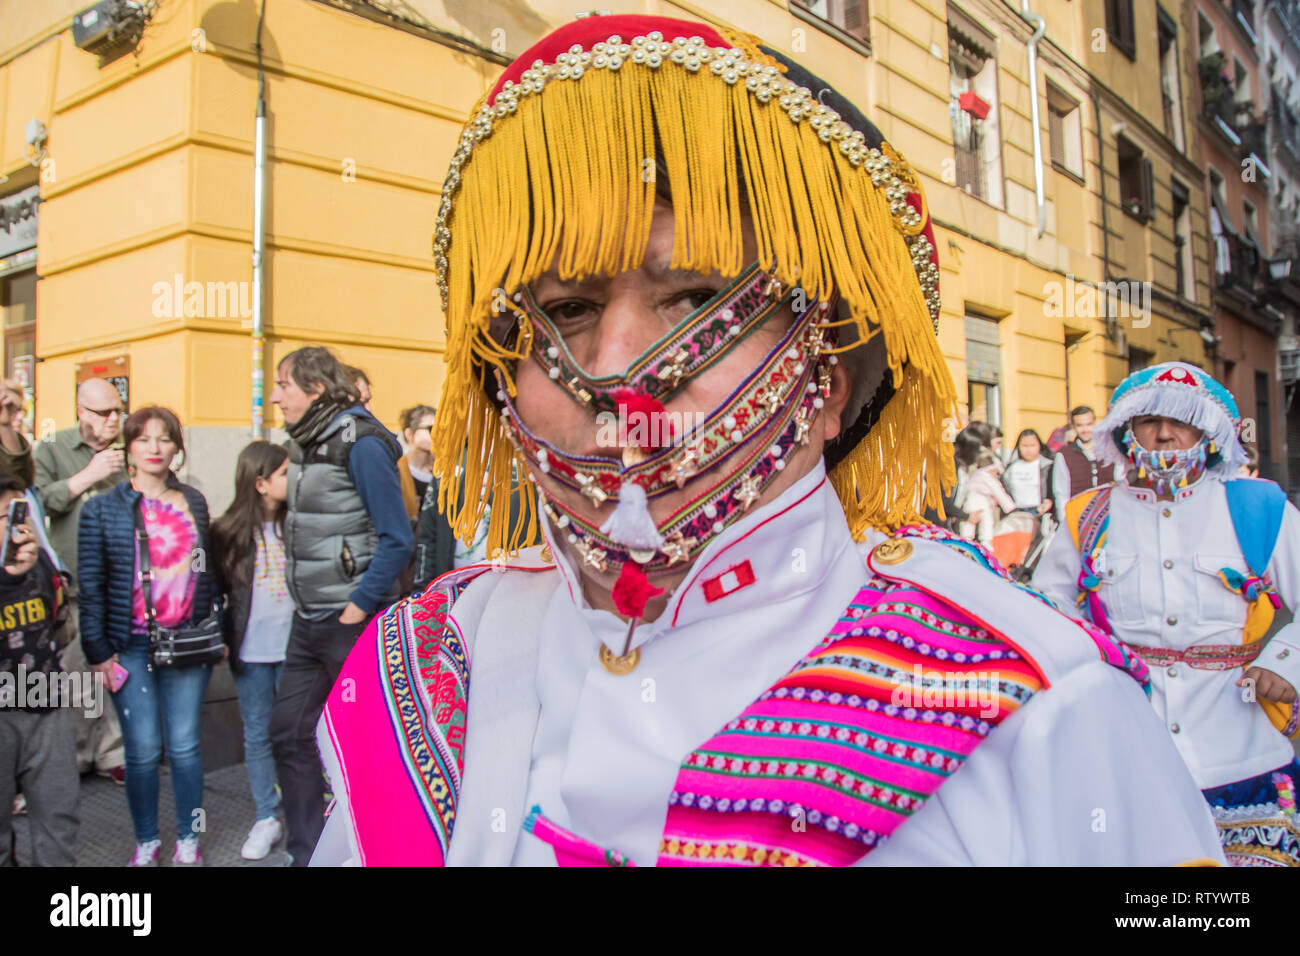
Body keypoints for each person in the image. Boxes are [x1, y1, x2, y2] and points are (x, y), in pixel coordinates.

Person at [310, 15, 1221, 867]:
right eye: (567, 309)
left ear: (828, 387)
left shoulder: (1043, 709)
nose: (618, 364)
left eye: (696, 299)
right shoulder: (435, 653)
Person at [1035, 362, 1300, 866]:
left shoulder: (1258, 507)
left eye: (1181, 421)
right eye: (1148, 421)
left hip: (1246, 758)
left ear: (1209, 433)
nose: (1163, 434)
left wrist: (1286, 662)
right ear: (1125, 431)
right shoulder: (1087, 515)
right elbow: (1049, 612)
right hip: (1128, 760)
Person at [268, 346, 411, 866]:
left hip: (348, 620)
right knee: (288, 731)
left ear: (316, 390)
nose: (276, 395)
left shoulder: (360, 442)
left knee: (366, 742)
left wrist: (358, 606)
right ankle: (307, 853)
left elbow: (397, 538)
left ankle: (381, 847)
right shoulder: (305, 442)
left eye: (285, 384)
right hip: (308, 619)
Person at [78, 406, 219, 866]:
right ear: (130, 448)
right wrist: (98, 653)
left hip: (187, 642)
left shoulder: (194, 501)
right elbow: (92, 585)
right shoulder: (101, 509)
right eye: (144, 439)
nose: (155, 448)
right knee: (140, 751)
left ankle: (189, 837)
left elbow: (203, 563)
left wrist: (207, 618)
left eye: (164, 439)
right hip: (130, 645)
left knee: (185, 746)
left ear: (177, 447)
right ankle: (146, 841)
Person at [33, 378, 128, 784]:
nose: (113, 420)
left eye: (118, 411)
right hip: (73, 583)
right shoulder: (53, 447)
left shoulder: (129, 448)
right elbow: (39, 503)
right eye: (104, 412)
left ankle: (112, 754)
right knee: (77, 672)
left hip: (119, 582)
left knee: (116, 671)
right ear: (81, 412)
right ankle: (76, 755)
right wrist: (89, 475)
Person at [211, 440, 292, 861]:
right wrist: (220, 637)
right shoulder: (227, 532)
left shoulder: (296, 524)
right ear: (260, 483)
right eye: (284, 473)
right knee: (258, 733)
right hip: (251, 651)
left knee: (297, 732)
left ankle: (303, 808)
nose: (292, 478)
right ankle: (266, 815)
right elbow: (216, 592)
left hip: (295, 649)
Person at [0, 474, 75, 865]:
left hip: (47, 703)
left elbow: (60, 624)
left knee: (57, 820)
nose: (17, 527)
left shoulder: (41, 561)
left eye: (21, 513)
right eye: (5, 516)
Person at [1051, 405, 1121, 525]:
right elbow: (1061, 493)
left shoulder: (1110, 450)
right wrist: (1065, 523)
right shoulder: (1064, 455)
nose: (1085, 430)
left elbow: (1120, 482)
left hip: (1109, 516)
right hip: (1079, 518)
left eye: (1089, 424)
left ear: (1095, 423)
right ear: (1073, 426)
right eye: (1080, 425)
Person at [397, 405, 437, 524]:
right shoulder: (397, 469)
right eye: (431, 428)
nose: (437, 434)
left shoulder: (443, 470)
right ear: (409, 434)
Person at [1002, 428, 1054, 516]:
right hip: (1015, 513)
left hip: (1038, 512)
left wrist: (1048, 504)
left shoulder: (1048, 466)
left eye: (1032, 445)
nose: (1028, 450)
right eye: (1024, 446)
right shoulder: (1011, 467)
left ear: (1039, 446)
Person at [0, 380, 33, 489]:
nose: (19, 417)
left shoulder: (20, 446)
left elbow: (22, 481)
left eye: (19, 410)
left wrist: (5, 424)